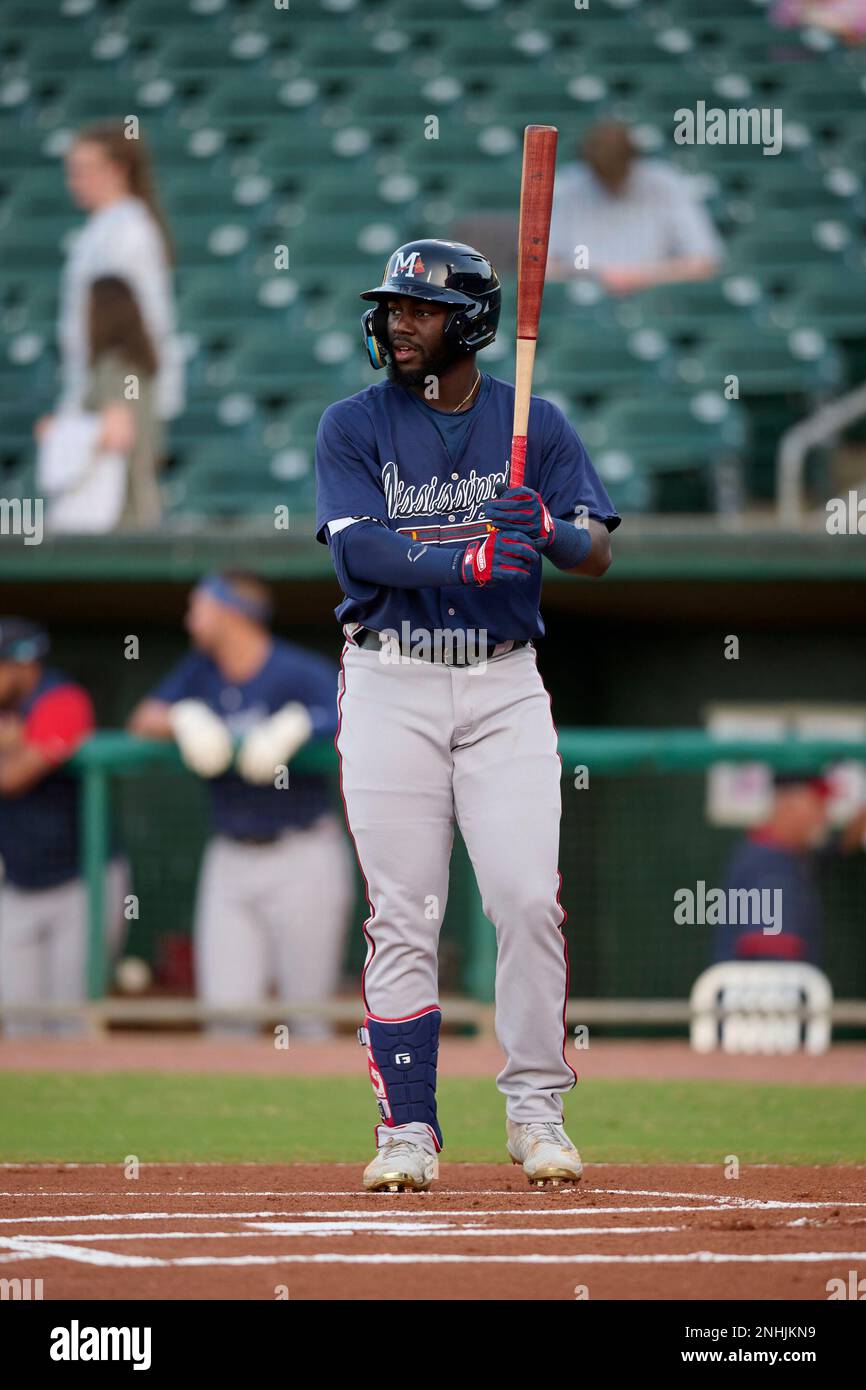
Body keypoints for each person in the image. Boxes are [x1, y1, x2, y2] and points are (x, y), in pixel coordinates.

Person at [315, 239, 620, 1193]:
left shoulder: (537, 421)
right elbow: (362, 552)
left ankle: (537, 1114)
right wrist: (468, 558)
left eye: (419, 308)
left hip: (501, 680)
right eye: (392, 307)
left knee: (527, 901)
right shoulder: (351, 423)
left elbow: (595, 551)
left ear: (471, 323)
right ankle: (408, 1128)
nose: (398, 322)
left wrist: (550, 531)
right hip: (392, 677)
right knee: (403, 914)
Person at [128, 572, 353, 1038]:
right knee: (226, 1019)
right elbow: (141, 720)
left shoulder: (294, 669)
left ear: (231, 612)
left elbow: (354, 710)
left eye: (199, 608)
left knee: (308, 1017)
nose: (191, 620)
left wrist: (298, 726)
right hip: (230, 854)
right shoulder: (200, 670)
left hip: (302, 851)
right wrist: (181, 716)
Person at [0, 620, 126, 1037]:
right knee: (18, 1024)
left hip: (82, 882)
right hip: (19, 883)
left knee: (72, 1023)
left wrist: (18, 747)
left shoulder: (63, 698)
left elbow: (15, 778)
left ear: (23, 665)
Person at [55, 120, 183, 428]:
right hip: (104, 386)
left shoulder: (127, 231)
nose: (75, 181)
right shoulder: (103, 228)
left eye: (85, 170)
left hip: (121, 390)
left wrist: (119, 400)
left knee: (130, 478)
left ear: (117, 170)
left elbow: (123, 324)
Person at [38, 276, 161, 529]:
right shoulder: (131, 370)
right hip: (135, 505)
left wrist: (60, 431)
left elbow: (121, 430)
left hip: (119, 510)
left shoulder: (121, 370)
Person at [547, 120, 723, 293]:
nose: (610, 175)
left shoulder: (666, 184)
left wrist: (641, 276)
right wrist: (593, 275)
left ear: (632, 159)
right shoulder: (569, 186)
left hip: (656, 299)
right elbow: (545, 266)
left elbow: (704, 261)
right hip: (585, 298)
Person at [714, 771, 866, 965]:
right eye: (818, 805)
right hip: (764, 991)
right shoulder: (771, 869)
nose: (824, 817)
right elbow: (771, 966)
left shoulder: (781, 856)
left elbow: (831, 853)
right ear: (789, 806)